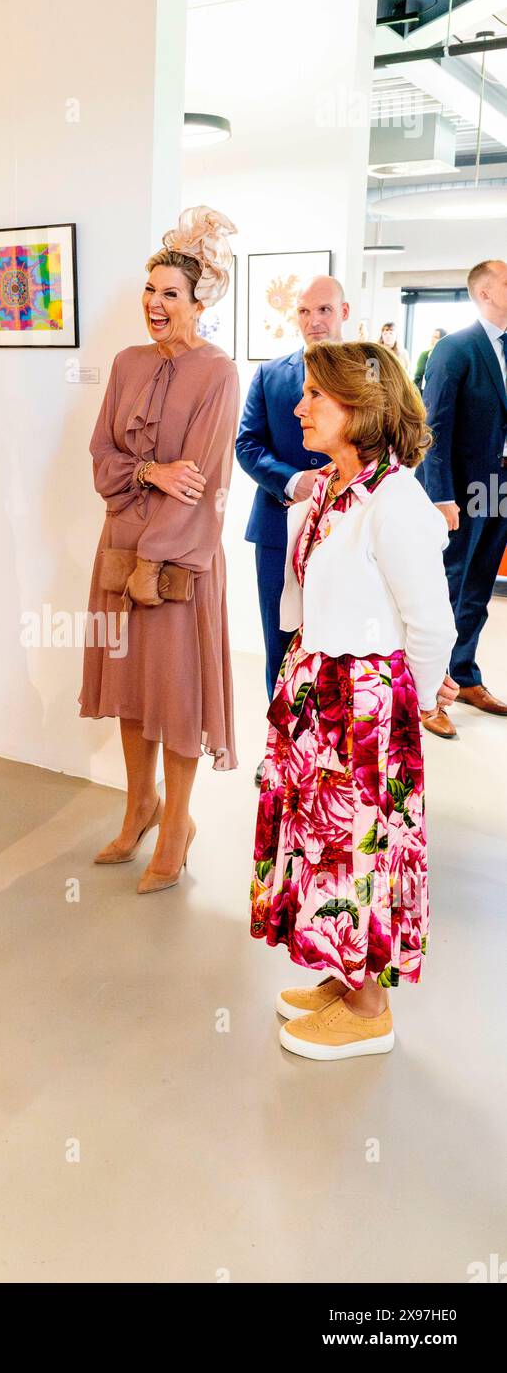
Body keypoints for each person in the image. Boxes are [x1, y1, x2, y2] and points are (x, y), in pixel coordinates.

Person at [249, 342, 457, 1061]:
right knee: (325, 846)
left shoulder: (397, 501)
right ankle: (346, 976)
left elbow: (432, 625)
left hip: (364, 710)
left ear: (361, 408)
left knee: (358, 850)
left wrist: (408, 707)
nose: (299, 407)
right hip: (320, 695)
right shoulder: (334, 488)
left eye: (315, 395)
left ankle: (370, 1011)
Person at [79, 206, 239, 893]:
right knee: (130, 687)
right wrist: (149, 471)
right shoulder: (125, 363)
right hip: (118, 548)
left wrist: (155, 558)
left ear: (199, 303)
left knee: (176, 696)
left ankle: (177, 826)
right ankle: (138, 806)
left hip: (178, 560)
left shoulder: (219, 373)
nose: (155, 303)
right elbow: (102, 458)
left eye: (171, 293)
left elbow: (204, 483)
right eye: (150, 290)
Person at [235, 276, 346, 782]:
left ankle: (331, 753)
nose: (313, 321)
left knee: (338, 643)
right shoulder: (270, 375)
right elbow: (248, 445)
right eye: (303, 311)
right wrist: (292, 480)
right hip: (278, 530)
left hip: (348, 530)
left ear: (343, 311)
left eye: (323, 309)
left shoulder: (369, 370)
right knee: (280, 644)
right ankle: (281, 750)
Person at [417, 259, 507, 738]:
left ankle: (466, 676)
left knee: (479, 589)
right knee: (447, 591)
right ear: (485, 293)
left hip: (500, 488)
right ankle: (430, 693)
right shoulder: (455, 349)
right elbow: (433, 428)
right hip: (462, 490)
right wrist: (441, 496)